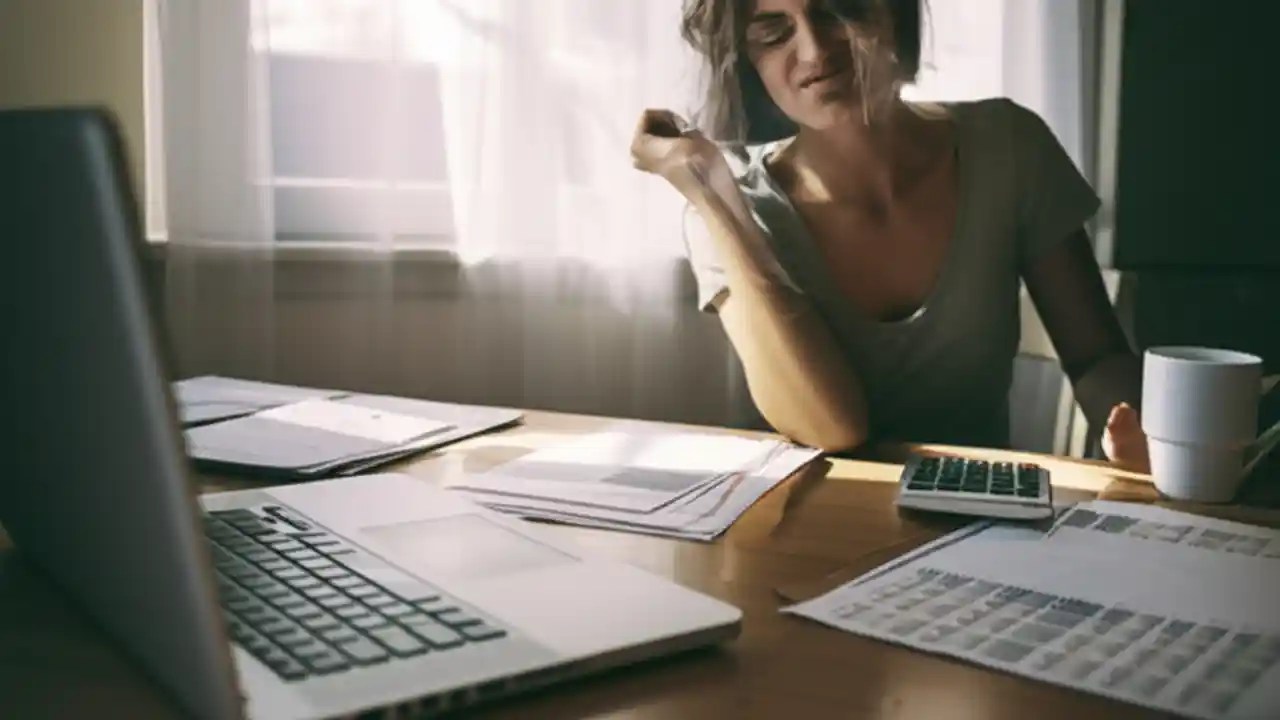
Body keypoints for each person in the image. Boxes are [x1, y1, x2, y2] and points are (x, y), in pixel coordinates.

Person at [629, 0, 1150, 471]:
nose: (813, 50)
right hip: (801, 537)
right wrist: (711, 192)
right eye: (773, 33)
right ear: (749, 63)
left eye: (839, 9)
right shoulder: (726, 203)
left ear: (894, 13)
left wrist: (1138, 432)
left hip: (981, 524)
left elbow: (1097, 357)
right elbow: (833, 429)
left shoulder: (1010, 147)